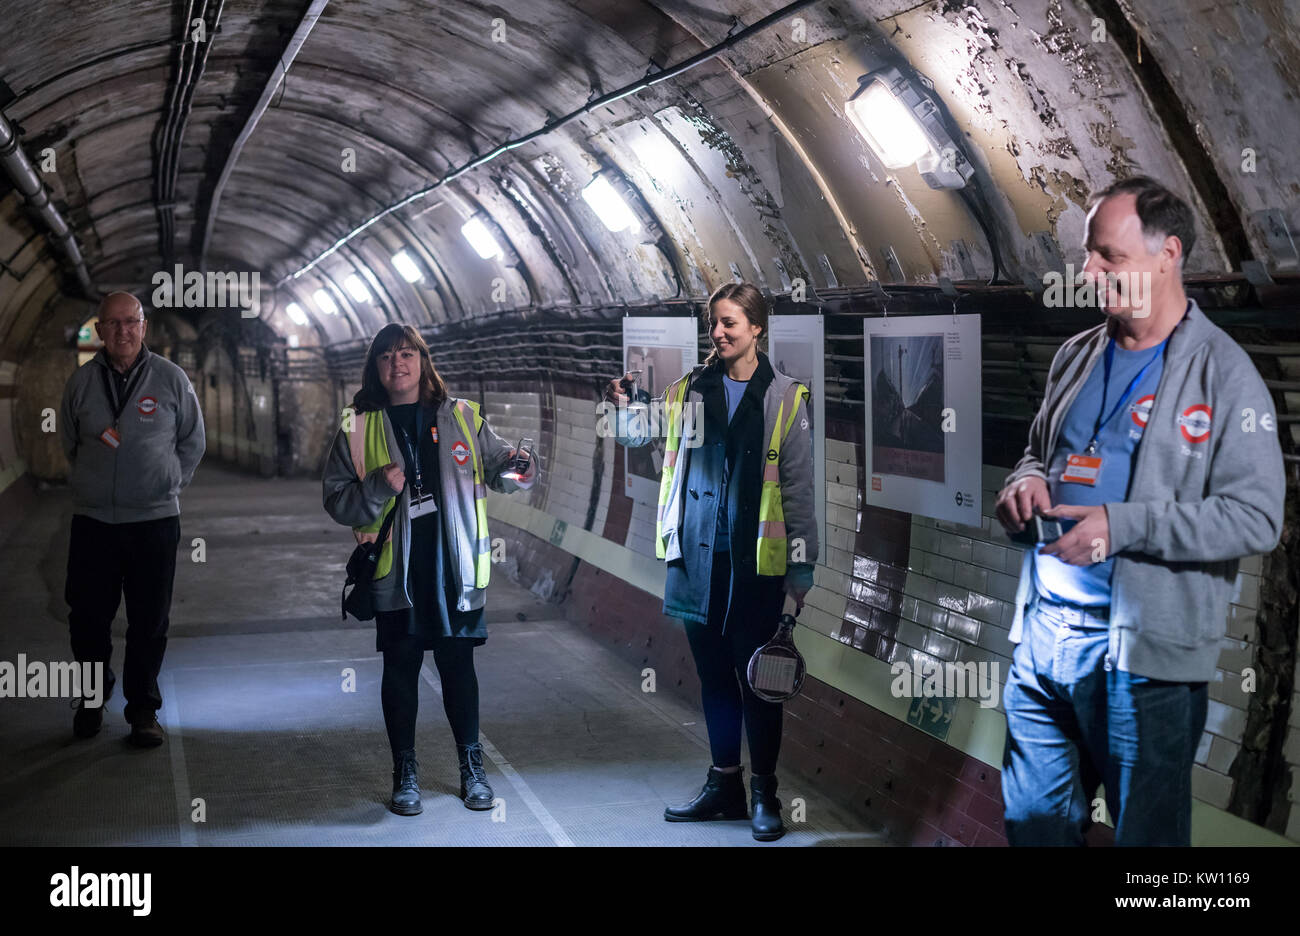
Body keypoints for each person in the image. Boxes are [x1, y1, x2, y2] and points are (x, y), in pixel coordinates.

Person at [994, 176, 1284, 845]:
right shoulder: (1075, 356)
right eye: (1090, 254)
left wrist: (1123, 525)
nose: (1088, 270)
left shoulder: (1224, 374)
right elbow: (1037, 454)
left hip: (1145, 666)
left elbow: (1256, 517)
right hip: (1043, 644)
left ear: (1168, 254)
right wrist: (1026, 483)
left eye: (1108, 256)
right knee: (1033, 828)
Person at [604, 282, 817, 841]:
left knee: (761, 680)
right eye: (714, 324)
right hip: (696, 558)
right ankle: (725, 783)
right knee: (716, 676)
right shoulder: (686, 391)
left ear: (757, 329)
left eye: (730, 324)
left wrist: (803, 565)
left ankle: (765, 792)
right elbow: (641, 443)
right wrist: (626, 412)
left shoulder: (786, 397)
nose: (719, 333)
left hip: (755, 564)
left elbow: (797, 487)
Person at [322, 323, 539, 816]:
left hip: (455, 568)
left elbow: (503, 467)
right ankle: (405, 773)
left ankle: (472, 769)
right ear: (374, 367)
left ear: (422, 360)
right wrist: (378, 484)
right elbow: (336, 500)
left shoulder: (461, 416)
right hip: (397, 571)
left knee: (459, 667)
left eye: (406, 354)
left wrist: (520, 464)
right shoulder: (357, 425)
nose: (397, 364)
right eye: (386, 357)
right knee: (400, 669)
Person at [59, 291, 206, 746]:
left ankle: (142, 709)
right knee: (87, 618)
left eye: (131, 322)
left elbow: (192, 441)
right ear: (100, 330)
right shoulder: (82, 383)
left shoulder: (170, 378)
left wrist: (166, 484)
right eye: (113, 323)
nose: (122, 331)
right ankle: (90, 699)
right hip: (94, 522)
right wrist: (95, 485)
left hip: (154, 522)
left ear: (144, 327)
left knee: (149, 620)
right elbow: (69, 443)